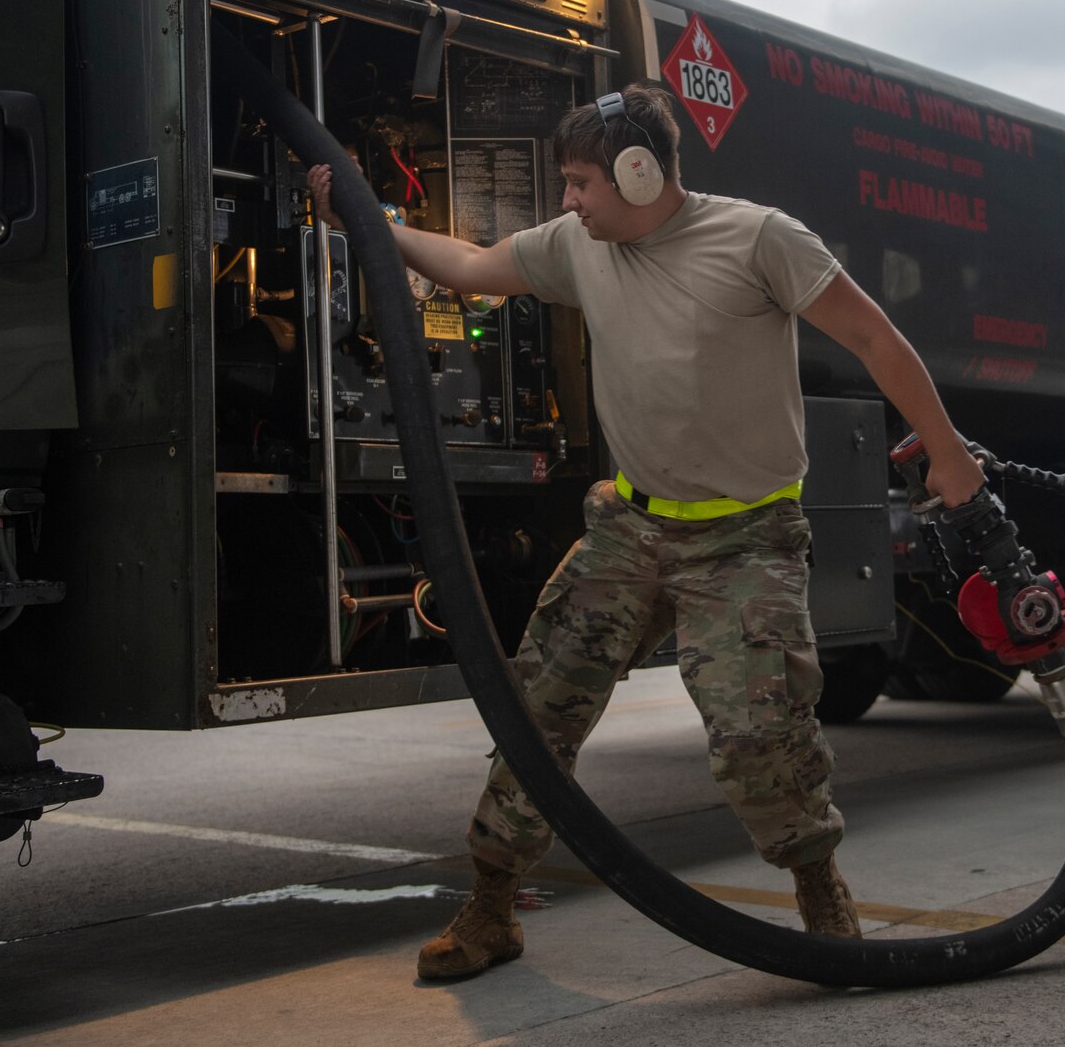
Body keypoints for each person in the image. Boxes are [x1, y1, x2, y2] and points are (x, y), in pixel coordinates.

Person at [306, 83, 984, 981]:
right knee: (536, 706)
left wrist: (948, 454)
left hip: (745, 537)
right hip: (630, 528)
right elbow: (468, 267)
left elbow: (873, 335)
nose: (568, 200)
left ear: (639, 170)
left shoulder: (758, 239)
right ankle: (493, 904)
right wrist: (363, 211)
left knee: (759, 737)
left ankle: (821, 892)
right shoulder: (578, 248)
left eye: (582, 181)